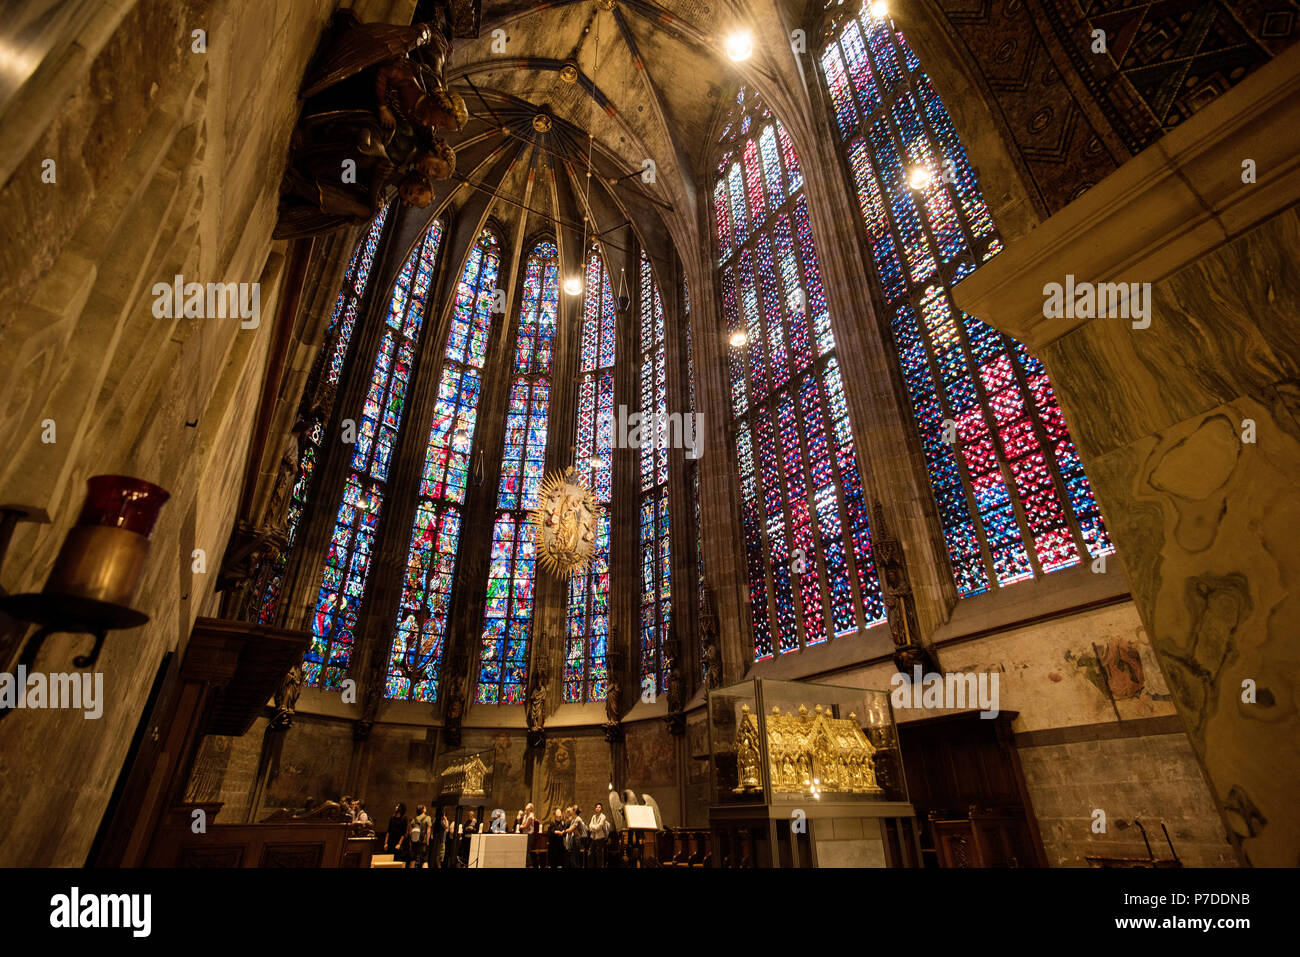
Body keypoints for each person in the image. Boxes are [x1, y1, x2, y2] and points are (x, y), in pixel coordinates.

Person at [408, 804, 432, 869]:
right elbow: (428, 831)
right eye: (425, 808)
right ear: (423, 810)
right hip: (423, 842)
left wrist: (411, 842)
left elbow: (410, 832)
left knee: (413, 859)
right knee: (424, 860)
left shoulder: (414, 819)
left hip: (414, 841)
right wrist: (427, 842)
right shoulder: (428, 818)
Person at [588, 803, 610, 868]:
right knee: (590, 854)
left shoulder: (603, 816)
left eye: (599, 807)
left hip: (600, 838)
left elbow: (599, 827)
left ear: (601, 809)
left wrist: (593, 827)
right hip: (593, 838)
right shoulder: (593, 816)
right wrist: (594, 827)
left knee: (598, 855)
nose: (598, 808)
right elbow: (589, 826)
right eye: (597, 807)